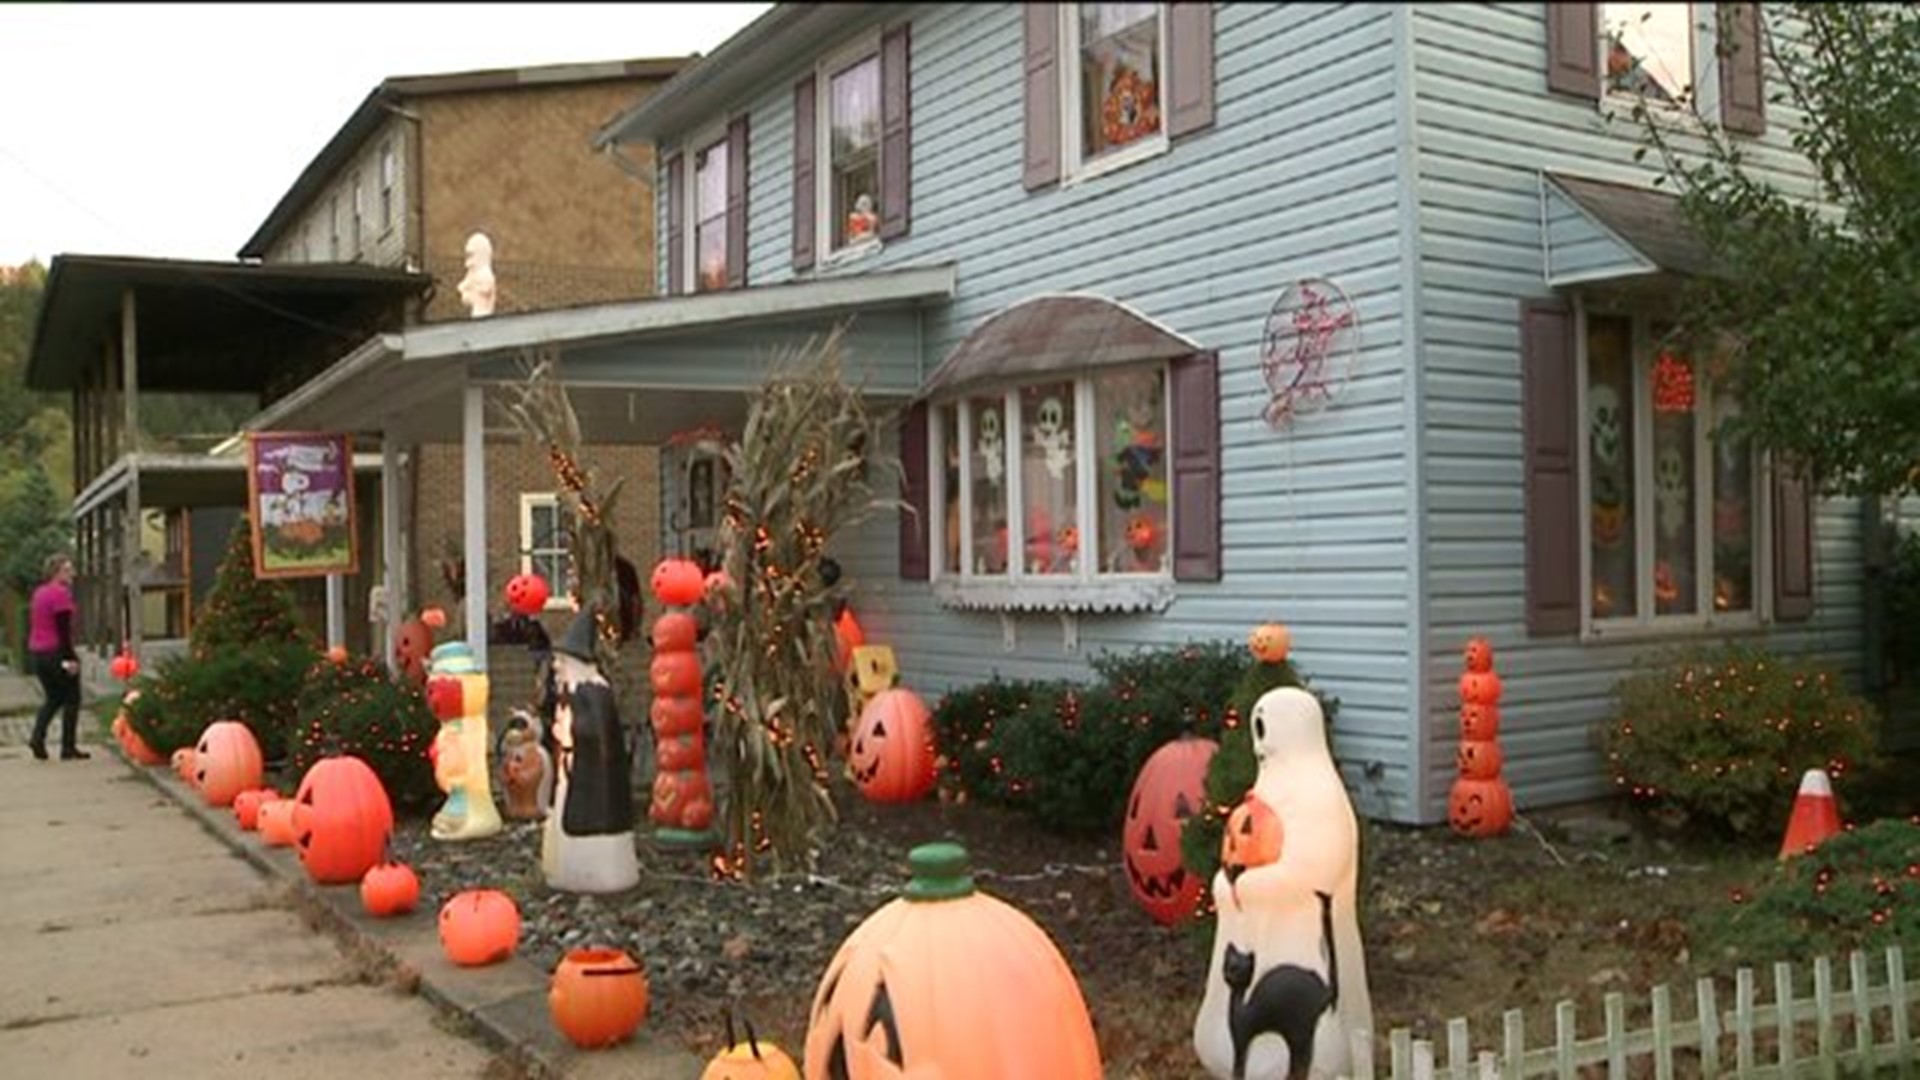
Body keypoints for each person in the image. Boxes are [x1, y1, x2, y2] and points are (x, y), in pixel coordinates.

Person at [27, 553, 87, 761]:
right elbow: (62, 630)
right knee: (72, 698)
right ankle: (68, 747)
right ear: (56, 572)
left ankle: (37, 737)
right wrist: (70, 659)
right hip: (56, 652)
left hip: (38, 653)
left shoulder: (39, 593)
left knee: (53, 698)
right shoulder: (60, 594)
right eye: (67, 570)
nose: (72, 574)